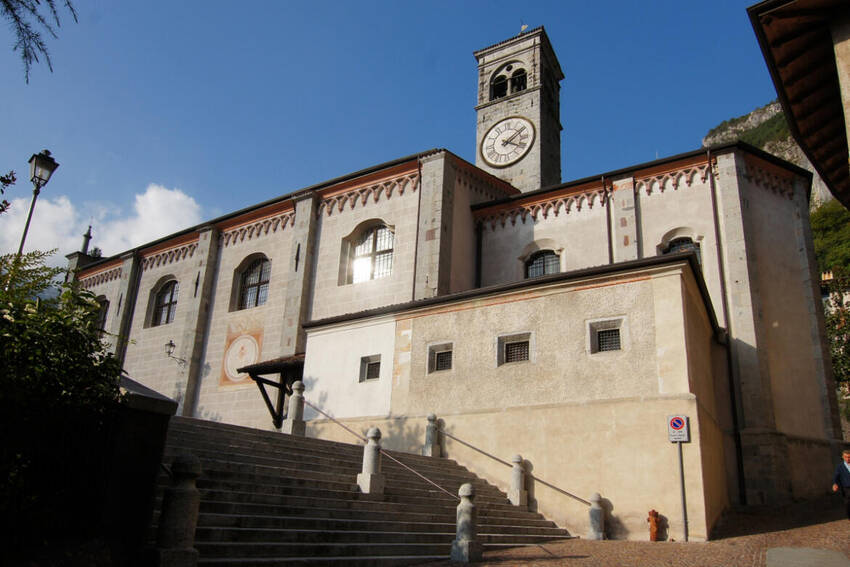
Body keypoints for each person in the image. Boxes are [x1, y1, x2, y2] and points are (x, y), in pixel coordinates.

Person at [832, 449, 850, 519]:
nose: (848, 459)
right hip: (846, 488)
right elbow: (836, 476)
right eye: (846, 457)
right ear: (843, 457)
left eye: (849, 457)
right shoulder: (840, 467)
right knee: (848, 503)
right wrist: (835, 484)